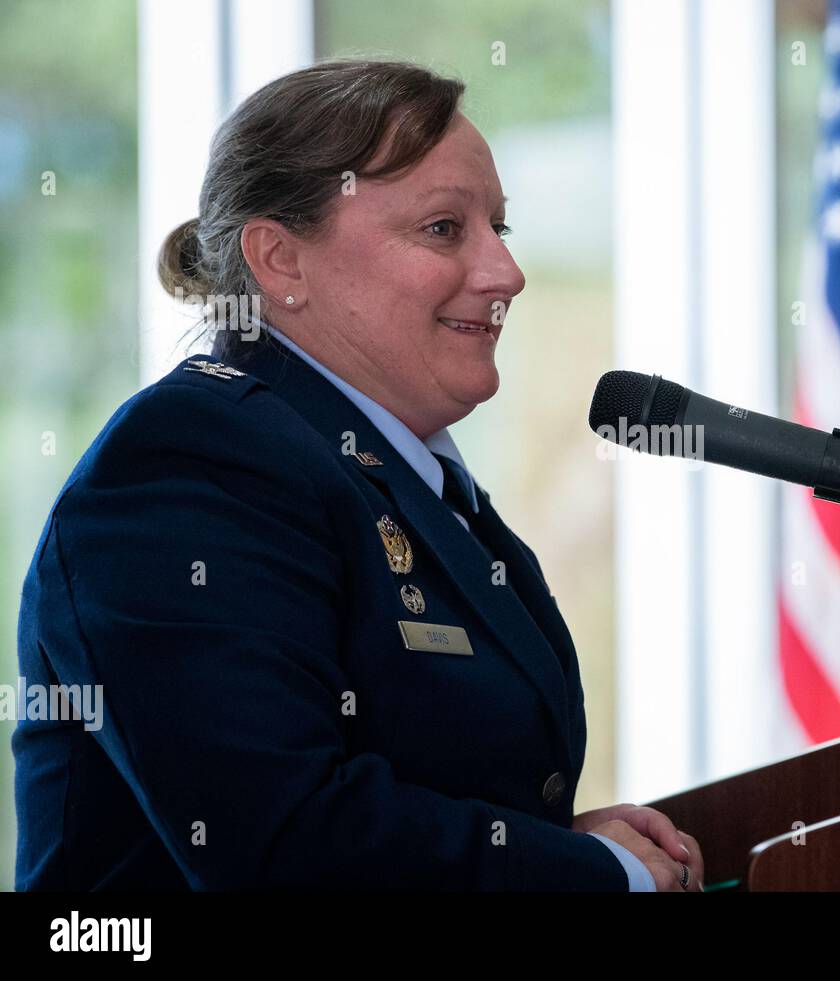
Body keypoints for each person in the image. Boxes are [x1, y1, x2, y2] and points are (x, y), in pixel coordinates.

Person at [12, 59, 703, 891]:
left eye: (501, 229)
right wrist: (597, 876)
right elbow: (290, 840)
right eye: (445, 228)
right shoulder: (187, 464)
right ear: (280, 261)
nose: (505, 273)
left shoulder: (397, 472)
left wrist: (554, 844)